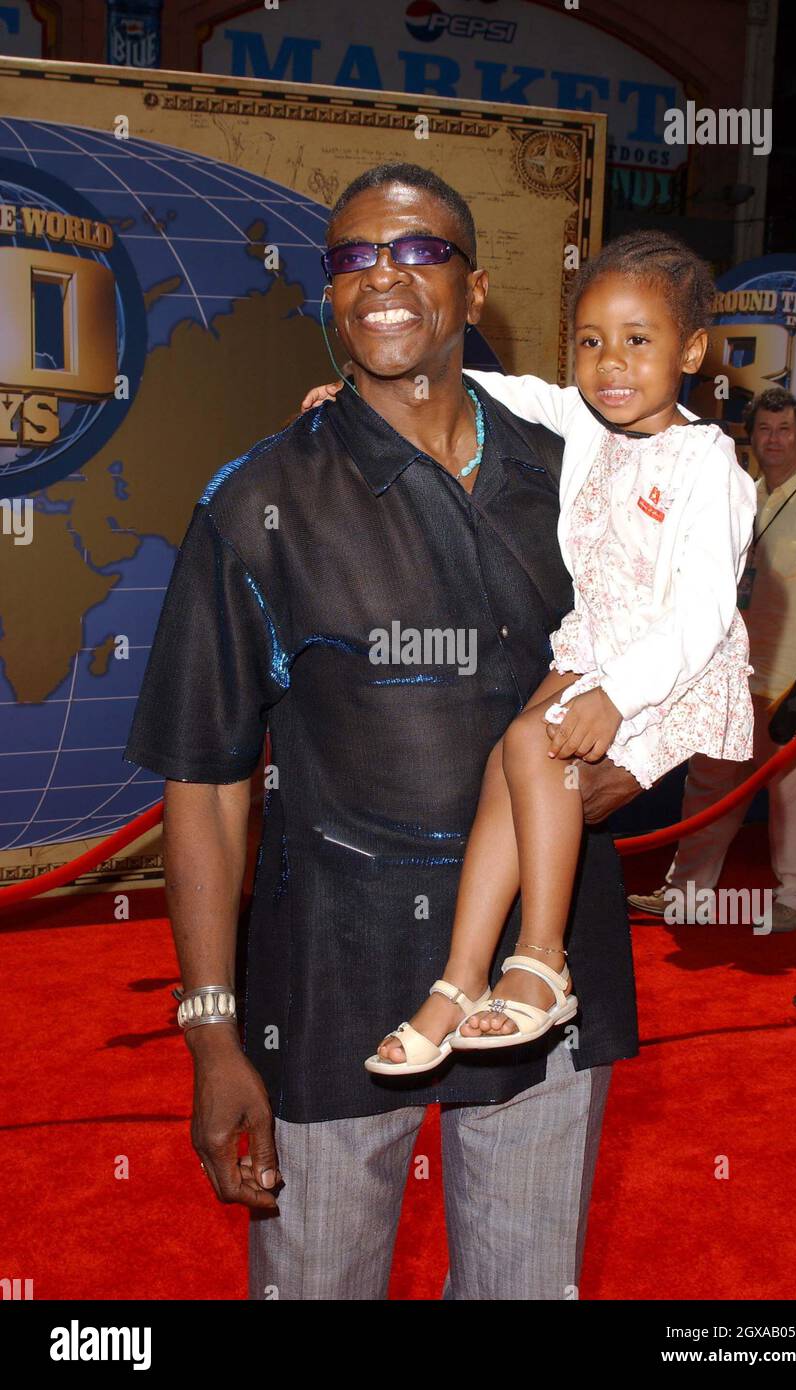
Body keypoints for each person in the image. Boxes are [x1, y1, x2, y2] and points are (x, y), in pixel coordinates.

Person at [123, 162, 641, 1301]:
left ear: (474, 287)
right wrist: (213, 1032)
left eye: (413, 251)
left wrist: (634, 767)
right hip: (328, 982)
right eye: (351, 259)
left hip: (539, 972)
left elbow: (679, 660)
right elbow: (208, 786)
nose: (380, 280)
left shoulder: (584, 477)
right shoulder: (256, 502)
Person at [303, 230, 757, 1069]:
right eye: (590, 343)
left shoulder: (710, 465)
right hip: (594, 652)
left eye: (638, 341)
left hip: (668, 673)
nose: (610, 365)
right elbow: (498, 390)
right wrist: (375, 386)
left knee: (526, 744)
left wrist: (614, 695)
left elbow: (700, 614)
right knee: (502, 771)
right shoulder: (586, 423)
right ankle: (458, 981)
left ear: (692, 350)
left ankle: (543, 961)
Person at [628, 387, 796, 933]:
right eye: (765, 430)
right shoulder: (745, 494)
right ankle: (687, 895)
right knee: (710, 787)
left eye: (785, 430)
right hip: (733, 675)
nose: (773, 440)